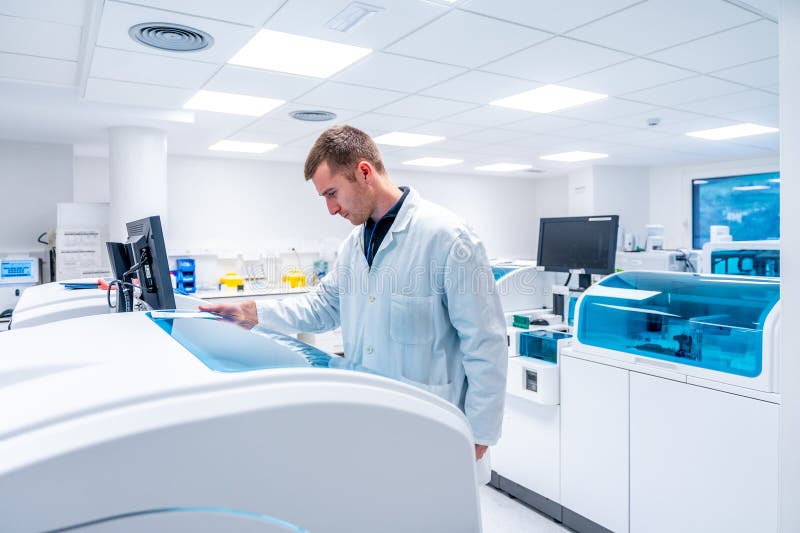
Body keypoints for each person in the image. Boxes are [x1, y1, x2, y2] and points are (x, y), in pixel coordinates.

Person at [200, 125, 507, 461]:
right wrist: (254, 313)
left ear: (364, 172)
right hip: (371, 416)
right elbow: (322, 307)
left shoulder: (447, 238)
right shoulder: (353, 247)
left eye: (332, 193)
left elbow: (485, 341)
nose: (331, 209)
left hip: (434, 423)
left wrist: (480, 433)